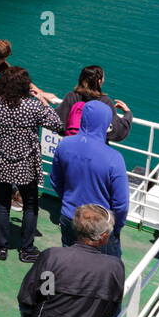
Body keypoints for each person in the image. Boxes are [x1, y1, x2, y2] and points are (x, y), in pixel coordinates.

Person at [0, 66, 65, 262]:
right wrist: (43, 102)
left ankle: (1, 247)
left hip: (0, 161)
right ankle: (26, 249)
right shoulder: (32, 106)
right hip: (26, 164)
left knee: (2, 204)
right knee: (30, 205)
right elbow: (57, 125)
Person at [17, 204, 125, 317]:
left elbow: (26, 298)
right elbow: (111, 307)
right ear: (104, 237)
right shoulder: (114, 267)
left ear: (76, 228)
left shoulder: (52, 256)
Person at [50, 101, 129, 258]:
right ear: (106, 123)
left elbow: (55, 181)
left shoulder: (64, 145)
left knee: (70, 261)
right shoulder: (114, 158)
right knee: (104, 268)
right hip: (99, 225)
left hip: (69, 216)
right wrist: (116, 227)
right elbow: (121, 204)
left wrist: (68, 201)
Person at [56, 65, 132, 143]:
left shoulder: (71, 96)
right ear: (99, 81)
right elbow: (118, 132)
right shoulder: (105, 102)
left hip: (71, 144)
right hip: (94, 148)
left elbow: (59, 123)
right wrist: (128, 114)